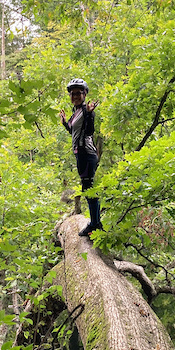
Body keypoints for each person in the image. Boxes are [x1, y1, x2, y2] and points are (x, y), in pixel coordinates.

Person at [60, 77, 102, 237]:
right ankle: (96, 222)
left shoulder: (85, 111)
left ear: (84, 94)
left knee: (89, 189)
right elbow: (74, 132)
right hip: (81, 154)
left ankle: (94, 224)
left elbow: (89, 131)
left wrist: (90, 114)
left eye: (78, 93)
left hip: (86, 154)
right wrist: (65, 123)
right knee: (88, 188)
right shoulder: (76, 112)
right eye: (72, 93)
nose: (74, 96)